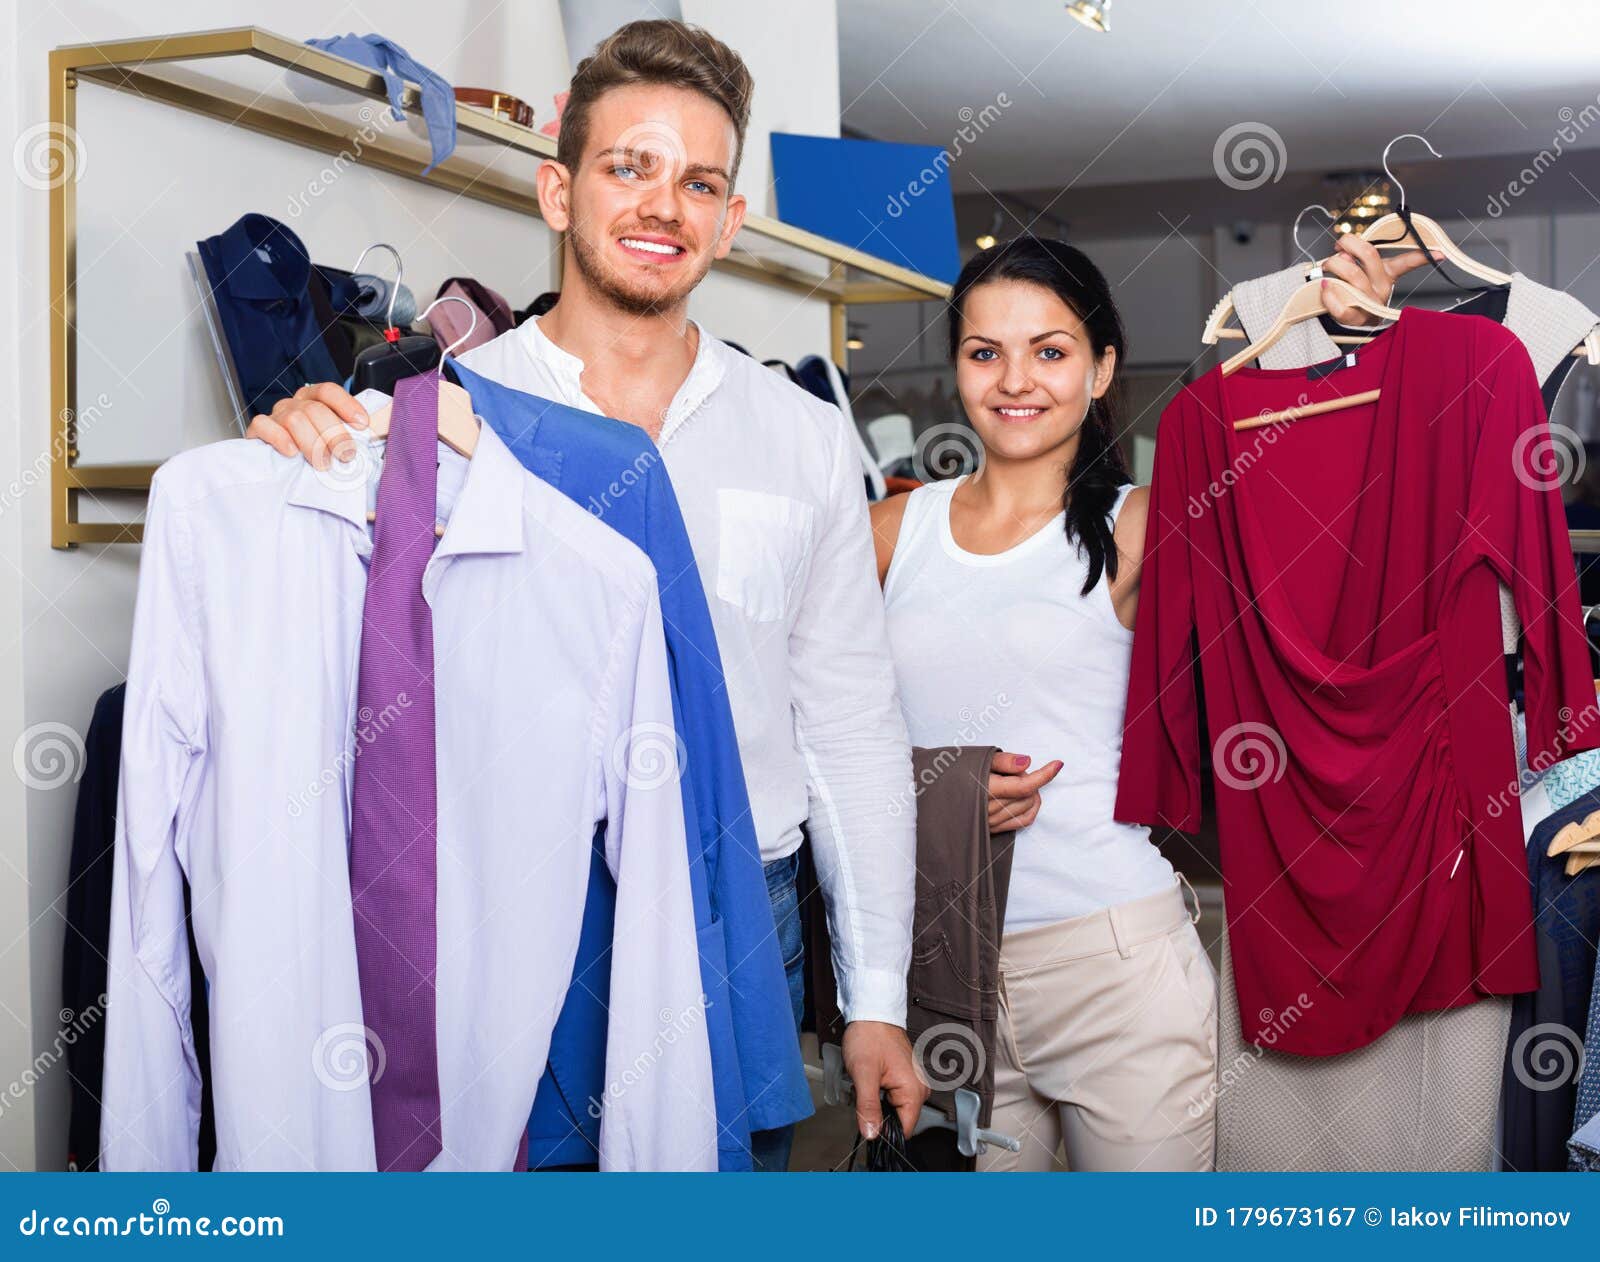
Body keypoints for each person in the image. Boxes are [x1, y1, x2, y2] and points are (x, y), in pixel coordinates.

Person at [245, 19, 923, 1171]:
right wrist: (292, 448)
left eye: (698, 181)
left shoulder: (806, 440)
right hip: (504, 904)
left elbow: (850, 723)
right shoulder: (433, 417)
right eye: (628, 168)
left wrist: (879, 995)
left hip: (735, 905)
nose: (663, 205)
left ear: (727, 221)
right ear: (559, 193)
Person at [870, 234, 1430, 1170]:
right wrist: (938, 784)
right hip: (940, 971)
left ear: (1101, 372)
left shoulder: (1143, 520)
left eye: (1051, 351)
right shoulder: (891, 530)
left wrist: (1348, 350)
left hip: (1113, 967)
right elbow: (814, 730)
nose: (1016, 379)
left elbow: (1328, 525)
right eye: (984, 352)